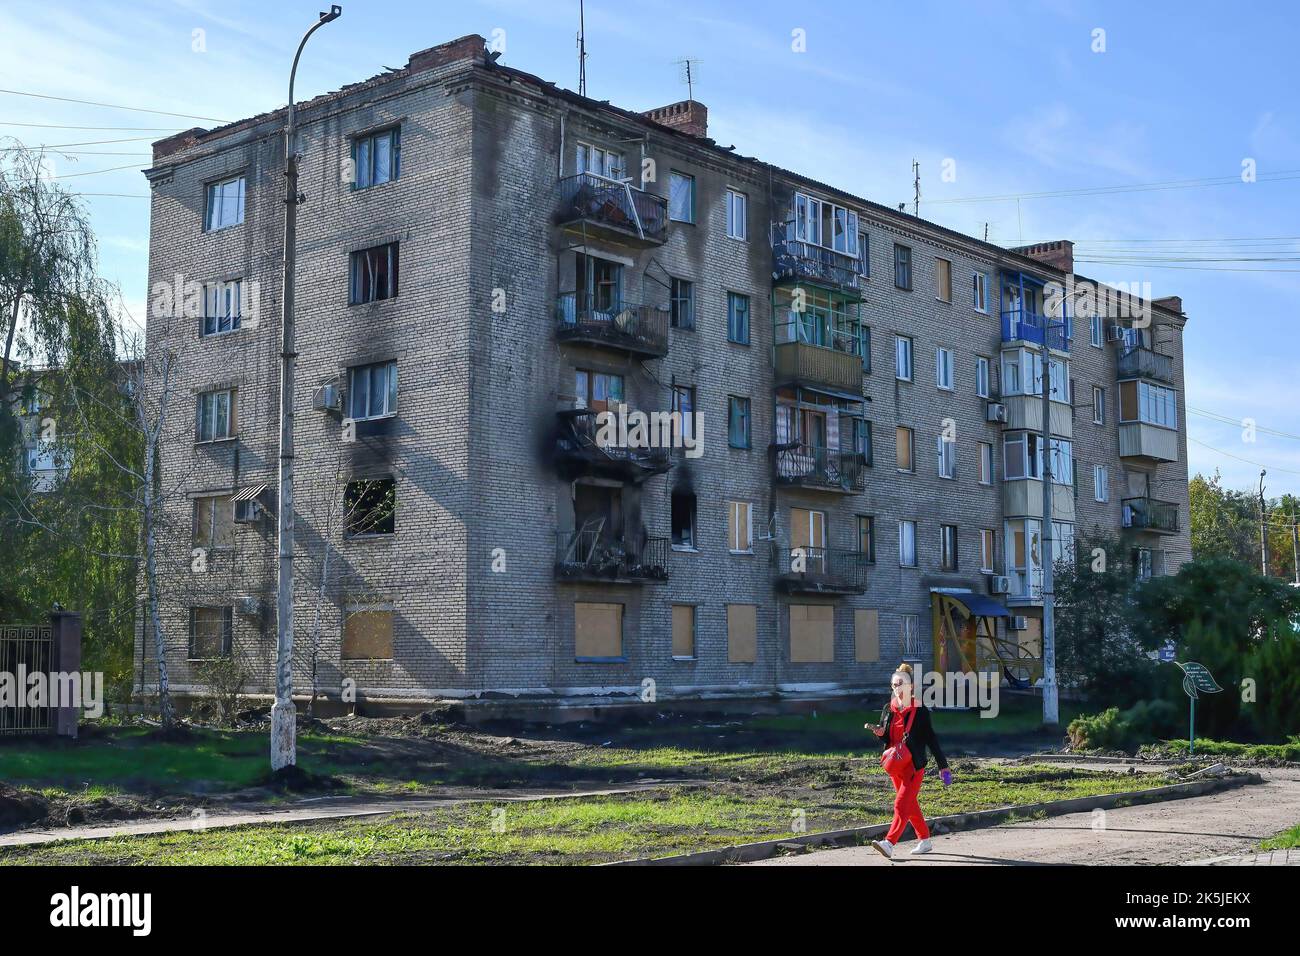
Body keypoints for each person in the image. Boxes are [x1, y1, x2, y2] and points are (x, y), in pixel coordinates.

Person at [865, 662, 951, 859]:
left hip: (913, 765)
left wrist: (943, 767)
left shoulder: (919, 710)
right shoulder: (889, 708)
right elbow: (887, 737)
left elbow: (931, 739)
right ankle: (925, 840)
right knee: (909, 804)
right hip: (896, 765)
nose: (897, 689)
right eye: (894, 685)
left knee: (900, 804)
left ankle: (889, 843)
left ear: (910, 686)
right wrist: (880, 733)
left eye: (901, 684)